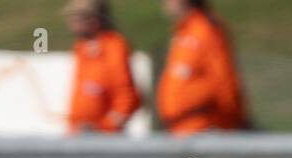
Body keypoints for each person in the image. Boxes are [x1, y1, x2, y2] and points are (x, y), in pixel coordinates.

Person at [156, 0, 248, 135]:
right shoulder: (184, 31)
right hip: (181, 131)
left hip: (203, 130)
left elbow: (224, 83)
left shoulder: (205, 30)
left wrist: (231, 123)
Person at [64, 0, 141, 134]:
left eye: (79, 16)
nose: (72, 21)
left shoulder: (114, 46)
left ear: (95, 19)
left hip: (102, 138)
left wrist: (104, 127)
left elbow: (127, 98)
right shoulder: (81, 47)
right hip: (79, 134)